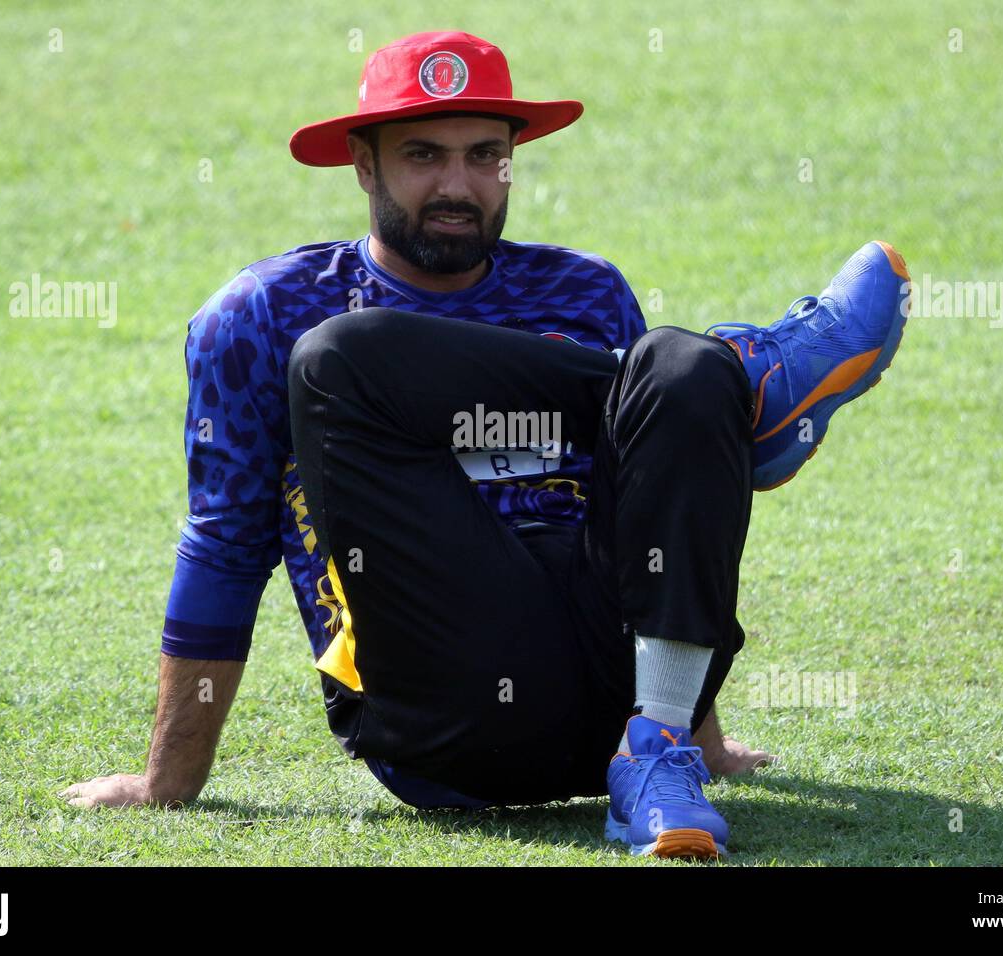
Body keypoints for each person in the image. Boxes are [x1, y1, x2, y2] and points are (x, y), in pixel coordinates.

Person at [61, 30, 910, 859]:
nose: (457, 185)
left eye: (484, 156)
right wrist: (166, 779)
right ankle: (746, 385)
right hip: (443, 709)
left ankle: (658, 753)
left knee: (672, 370)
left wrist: (702, 736)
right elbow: (225, 546)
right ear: (365, 165)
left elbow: (658, 516)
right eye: (423, 155)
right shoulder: (261, 315)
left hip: (609, 696)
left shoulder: (584, 290)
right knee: (341, 357)